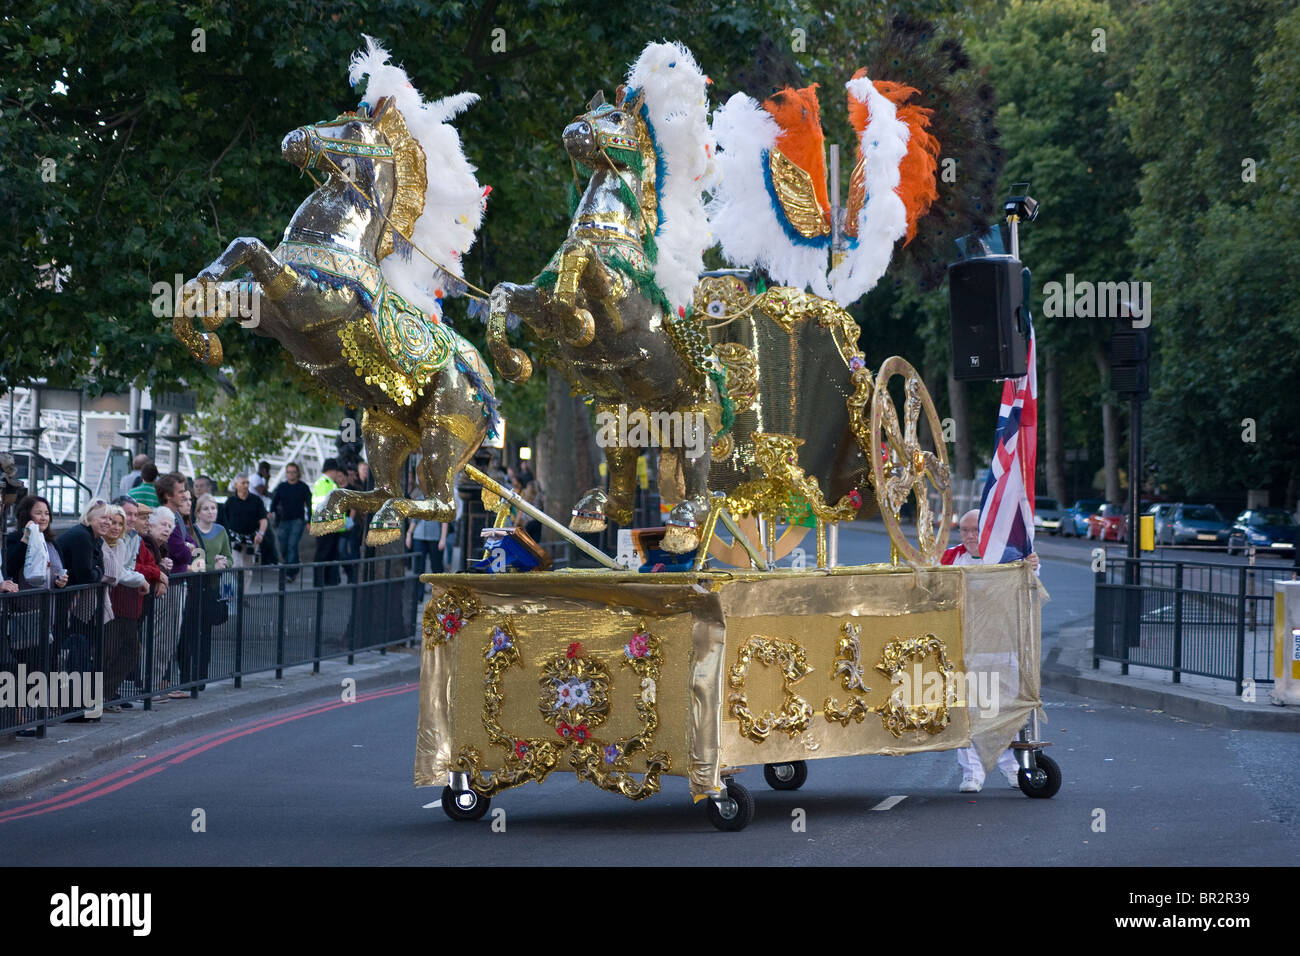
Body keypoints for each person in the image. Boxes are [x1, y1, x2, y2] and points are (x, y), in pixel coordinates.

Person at [942, 508, 1039, 793]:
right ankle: (972, 772)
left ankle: (1011, 768)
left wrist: (1031, 564)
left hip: (1003, 645)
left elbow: (1031, 584)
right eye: (965, 530)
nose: (970, 536)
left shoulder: (1008, 555)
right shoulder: (949, 557)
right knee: (968, 713)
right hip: (966, 647)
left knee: (1002, 713)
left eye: (975, 529)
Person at [54, 498, 115, 679]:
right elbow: (87, 575)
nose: (107, 522)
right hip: (58, 595)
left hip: (67, 594)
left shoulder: (94, 538)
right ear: (89, 517)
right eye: (103, 517)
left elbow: (100, 569)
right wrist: (97, 572)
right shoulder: (83, 536)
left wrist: (97, 571)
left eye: (110, 519)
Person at [101, 504, 152, 710]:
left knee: (131, 650)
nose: (118, 525)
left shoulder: (129, 541)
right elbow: (117, 573)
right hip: (107, 606)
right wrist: (144, 578)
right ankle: (100, 696)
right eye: (114, 521)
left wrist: (152, 575)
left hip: (127, 606)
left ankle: (106, 693)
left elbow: (133, 568)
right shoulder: (103, 542)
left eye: (131, 516)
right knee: (107, 653)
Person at [224, 473, 267, 591]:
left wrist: (261, 534)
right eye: (243, 483)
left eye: (247, 483)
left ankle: (243, 595)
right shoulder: (230, 501)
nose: (245, 485)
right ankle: (234, 592)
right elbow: (224, 520)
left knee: (247, 570)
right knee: (236, 566)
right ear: (236, 485)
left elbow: (263, 520)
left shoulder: (256, 500)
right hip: (234, 540)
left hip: (252, 540)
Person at [270, 462, 311, 581]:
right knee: (283, 547)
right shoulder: (282, 486)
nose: (291, 474)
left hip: (298, 521)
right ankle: (295, 564)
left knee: (292, 546)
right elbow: (275, 500)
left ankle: (290, 573)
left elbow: (309, 505)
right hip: (284, 521)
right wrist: (270, 511)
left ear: (298, 473)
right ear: (286, 473)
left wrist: (309, 521)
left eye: (293, 472)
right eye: (289, 472)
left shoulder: (303, 487)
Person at [311, 459, 347, 587]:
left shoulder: (330, 483)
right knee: (323, 554)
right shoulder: (323, 483)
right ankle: (320, 581)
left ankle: (327, 580)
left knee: (330, 554)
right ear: (332, 470)